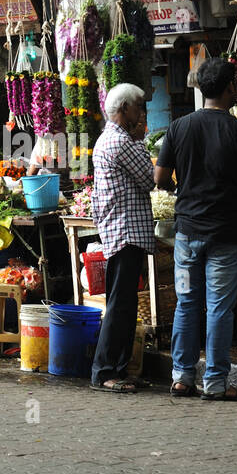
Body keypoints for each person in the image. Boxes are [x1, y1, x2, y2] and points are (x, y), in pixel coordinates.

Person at [155, 57, 237, 400]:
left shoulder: (178, 127)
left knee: (187, 303)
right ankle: (216, 384)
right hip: (226, 235)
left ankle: (181, 377)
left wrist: (186, 185)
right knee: (219, 307)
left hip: (187, 236)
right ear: (231, 87)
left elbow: (160, 178)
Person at [88, 83, 153, 394]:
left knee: (124, 304)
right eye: (139, 107)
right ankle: (105, 372)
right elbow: (150, 178)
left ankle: (118, 368)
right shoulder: (122, 142)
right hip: (125, 232)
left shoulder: (109, 139)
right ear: (125, 109)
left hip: (120, 231)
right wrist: (142, 141)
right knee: (120, 305)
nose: (141, 114)